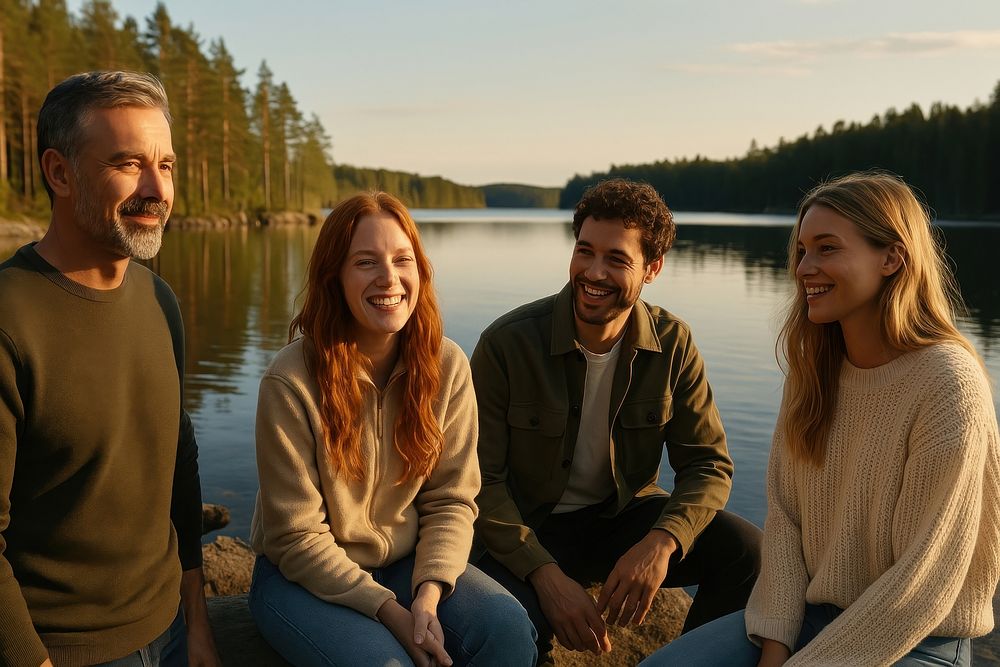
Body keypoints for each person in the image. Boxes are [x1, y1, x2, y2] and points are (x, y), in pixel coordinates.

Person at [641, 171, 1000, 667]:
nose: (804, 267)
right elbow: (786, 522)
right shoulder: (812, 372)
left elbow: (923, 582)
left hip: (918, 639)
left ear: (892, 257)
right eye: (802, 250)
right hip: (810, 619)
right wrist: (775, 647)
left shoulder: (946, 383)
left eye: (827, 248)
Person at [471, 177, 763, 663]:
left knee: (747, 552)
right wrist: (545, 575)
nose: (593, 272)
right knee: (520, 626)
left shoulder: (673, 343)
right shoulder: (507, 344)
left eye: (617, 259)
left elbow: (708, 464)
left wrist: (661, 542)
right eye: (584, 251)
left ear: (653, 268)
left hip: (618, 519)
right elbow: (481, 480)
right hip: (525, 528)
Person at [248, 191, 537, 667]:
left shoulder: (447, 365)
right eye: (365, 262)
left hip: (407, 566)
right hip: (299, 577)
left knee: (506, 630)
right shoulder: (290, 380)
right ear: (334, 277)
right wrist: (390, 613)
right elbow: (294, 537)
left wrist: (427, 594)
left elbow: (451, 499)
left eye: (402, 260)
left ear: (420, 270)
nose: (389, 278)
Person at [0, 72, 218, 666]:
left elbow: (180, 465)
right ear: (60, 172)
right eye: (128, 164)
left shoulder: (159, 301)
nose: (157, 189)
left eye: (166, 166)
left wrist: (197, 624)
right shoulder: (9, 320)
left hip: (171, 632)